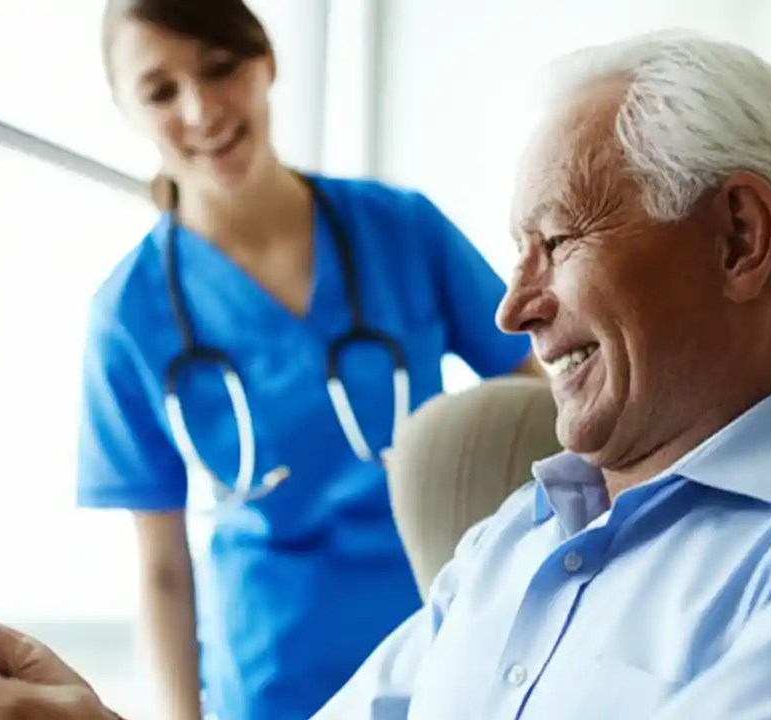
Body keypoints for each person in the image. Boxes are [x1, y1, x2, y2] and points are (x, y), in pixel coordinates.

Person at [0, 29, 771, 719]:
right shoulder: (506, 547)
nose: (510, 305)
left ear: (736, 238)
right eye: (513, 252)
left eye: (557, 239)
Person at [75, 2, 536, 719]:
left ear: (267, 62)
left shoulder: (403, 229)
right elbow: (163, 570)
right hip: (270, 681)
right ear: (124, 108)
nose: (200, 109)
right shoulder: (127, 315)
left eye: (220, 68)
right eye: (160, 91)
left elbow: (539, 405)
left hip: (448, 642)